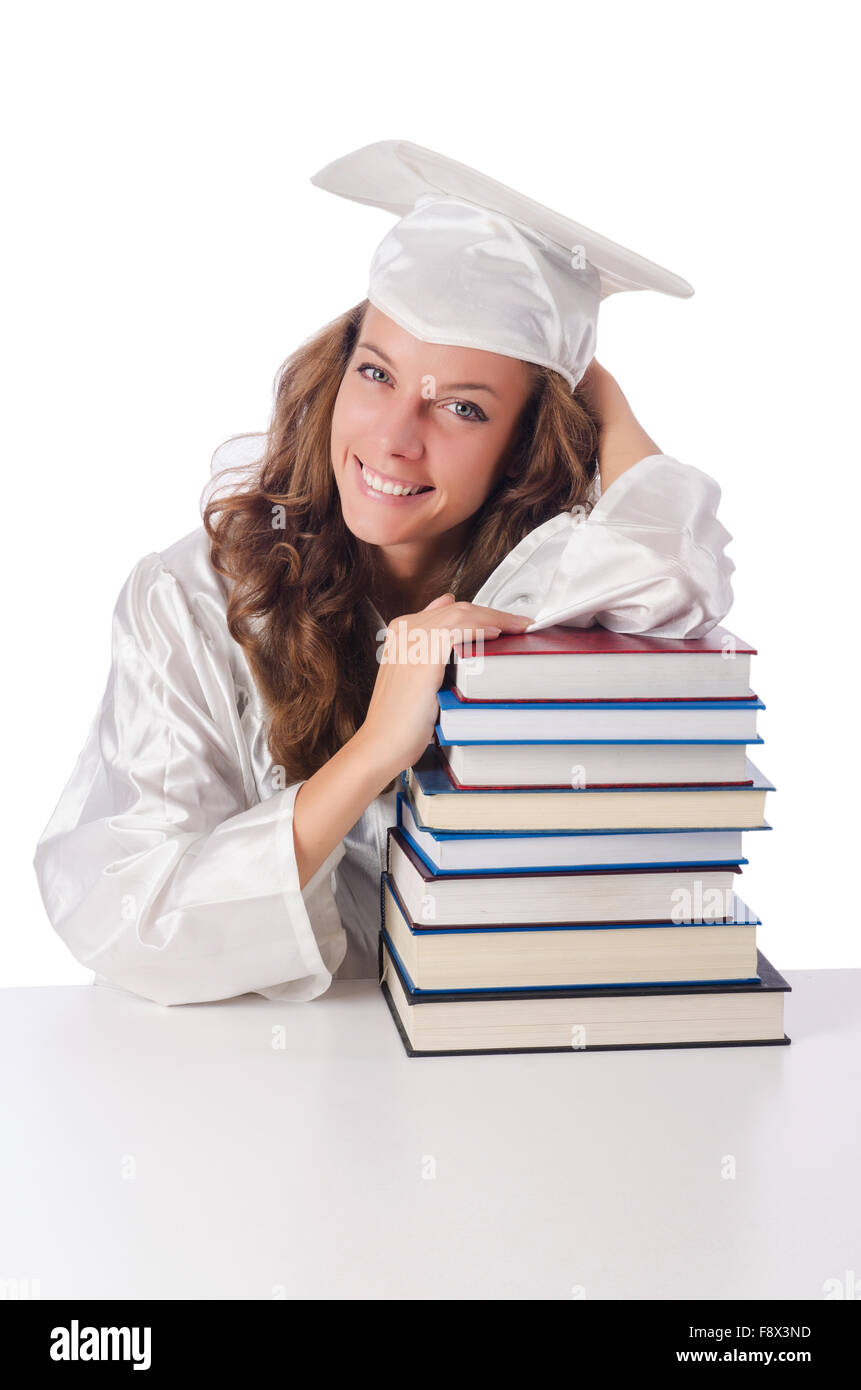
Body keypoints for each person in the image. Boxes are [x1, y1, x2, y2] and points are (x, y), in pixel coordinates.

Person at [32, 143, 735, 1008]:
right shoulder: (197, 599)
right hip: (256, 1087)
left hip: (494, 1060)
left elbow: (675, 570)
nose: (397, 438)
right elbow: (132, 920)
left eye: (462, 406)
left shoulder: (529, 590)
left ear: (523, 445)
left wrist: (603, 397)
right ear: (337, 373)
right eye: (377, 374)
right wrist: (374, 751)